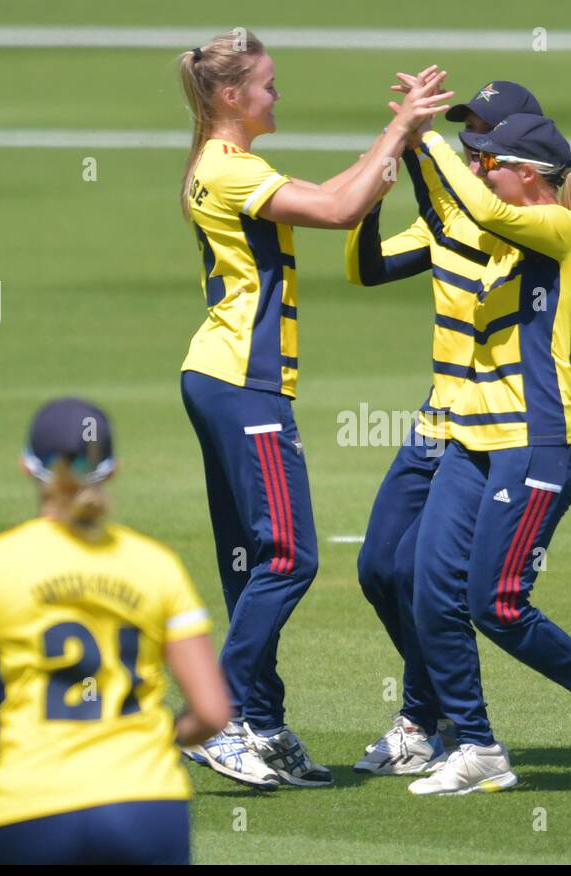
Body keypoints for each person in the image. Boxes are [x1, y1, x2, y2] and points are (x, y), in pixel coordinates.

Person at [174, 33, 451, 788]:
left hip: (219, 379)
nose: (277, 95)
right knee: (292, 556)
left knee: (252, 561)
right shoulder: (232, 171)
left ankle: (259, 723)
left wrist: (393, 141)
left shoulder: (219, 166)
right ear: (230, 96)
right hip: (244, 385)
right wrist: (398, 133)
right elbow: (336, 209)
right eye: (267, 85)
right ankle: (220, 715)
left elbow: (341, 193)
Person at [391, 69, 571, 797]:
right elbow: (457, 216)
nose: (479, 167)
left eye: (492, 161)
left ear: (529, 176)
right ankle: (477, 747)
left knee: (499, 605)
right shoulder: (512, 234)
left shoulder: (563, 228)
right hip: (475, 440)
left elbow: (475, 206)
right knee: (428, 587)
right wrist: (406, 145)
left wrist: (423, 137)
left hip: (541, 446)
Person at [0, 397, 230, 864]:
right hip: (149, 803)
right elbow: (211, 711)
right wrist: (154, 737)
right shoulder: (157, 565)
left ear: (26, 467)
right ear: (112, 469)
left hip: (34, 807)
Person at [344, 80, 545, 775]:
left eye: (483, 135)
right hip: (435, 422)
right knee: (378, 568)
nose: (472, 146)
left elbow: (475, 210)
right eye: (467, 133)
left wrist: (413, 136)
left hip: (490, 432)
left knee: (422, 576)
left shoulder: (519, 226)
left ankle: (430, 720)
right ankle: (436, 715)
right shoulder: (452, 218)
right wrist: (370, 206)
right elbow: (367, 269)